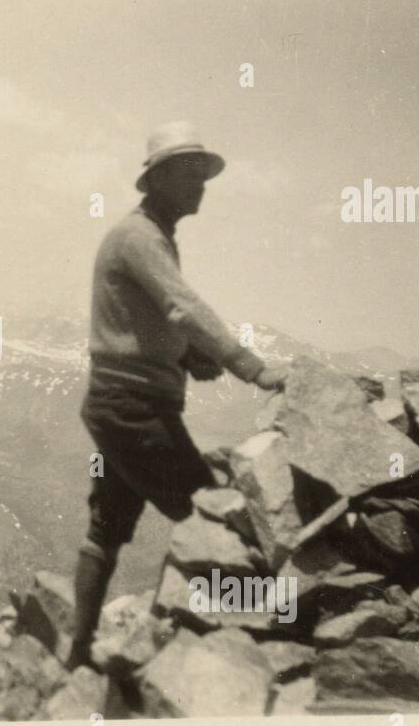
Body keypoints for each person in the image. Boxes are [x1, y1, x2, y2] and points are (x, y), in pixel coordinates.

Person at [68, 120, 286, 670]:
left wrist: (186, 356)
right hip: (133, 409)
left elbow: (141, 320)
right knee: (208, 513)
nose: (201, 186)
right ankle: (246, 647)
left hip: (117, 405)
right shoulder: (141, 238)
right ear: (159, 178)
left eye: (202, 175)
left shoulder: (148, 235)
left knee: (106, 528)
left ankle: (77, 655)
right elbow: (182, 306)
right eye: (190, 175)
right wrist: (251, 367)